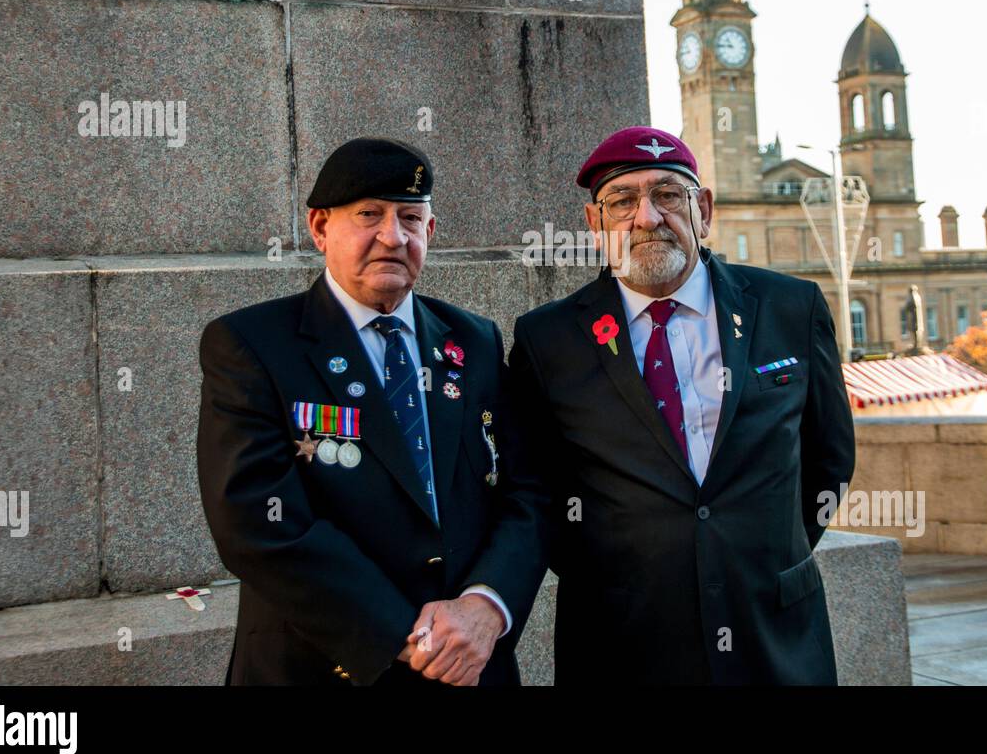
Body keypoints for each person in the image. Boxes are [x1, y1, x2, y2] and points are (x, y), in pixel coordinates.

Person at [506, 126, 856, 685]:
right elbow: (536, 489)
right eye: (622, 201)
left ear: (704, 210)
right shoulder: (547, 340)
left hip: (774, 634)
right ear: (596, 226)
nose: (647, 217)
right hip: (622, 643)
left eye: (669, 194)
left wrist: (762, 553)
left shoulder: (791, 307)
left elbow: (829, 460)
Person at [197, 138, 547, 686]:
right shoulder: (253, 345)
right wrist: (409, 638)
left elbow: (528, 490)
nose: (392, 236)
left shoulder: (474, 341)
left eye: (410, 217)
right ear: (319, 228)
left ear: (429, 234)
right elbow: (256, 522)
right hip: (328, 664)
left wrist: (486, 606)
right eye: (369, 215)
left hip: (471, 666)